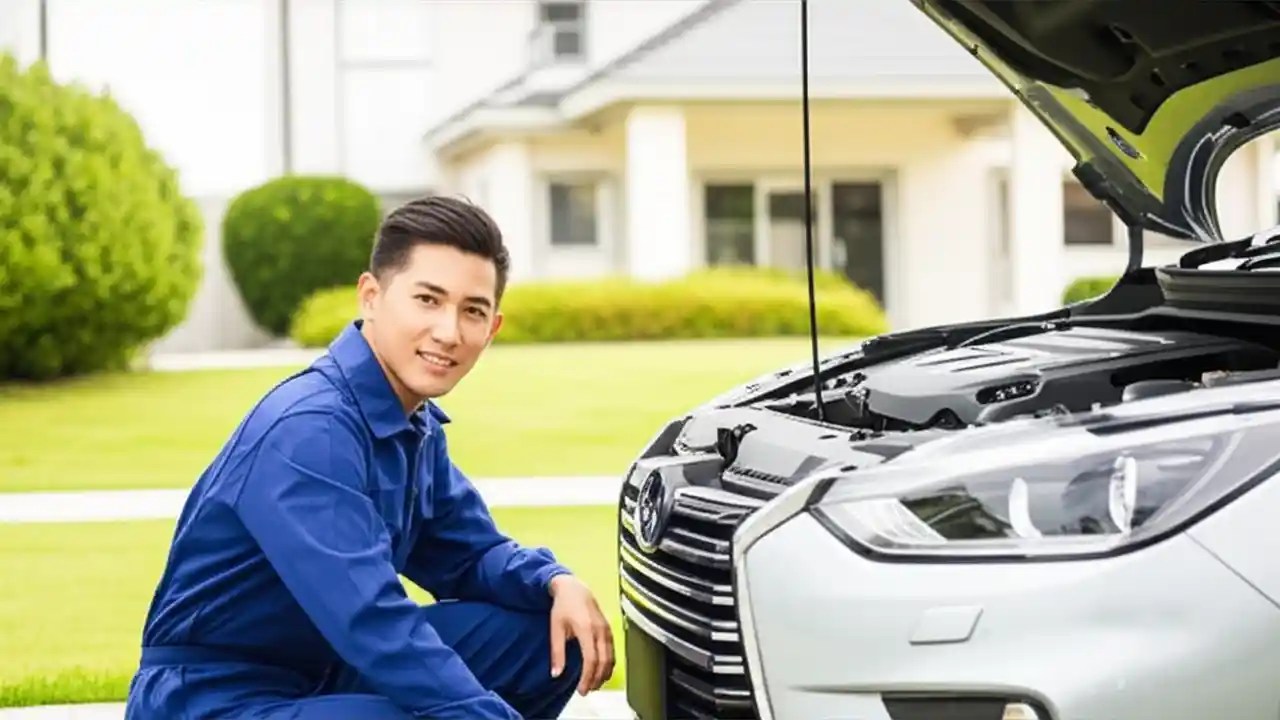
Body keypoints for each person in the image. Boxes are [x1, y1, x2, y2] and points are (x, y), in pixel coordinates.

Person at [125, 196, 614, 720]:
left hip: (324, 670)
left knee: (549, 637)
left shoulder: (414, 425)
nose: (448, 332)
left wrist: (552, 581)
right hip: (213, 697)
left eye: (472, 311)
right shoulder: (311, 431)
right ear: (371, 297)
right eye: (427, 300)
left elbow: (469, 555)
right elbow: (372, 621)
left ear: (491, 328)